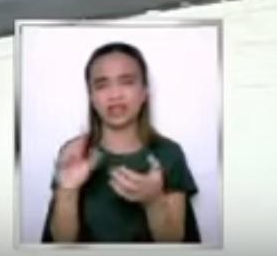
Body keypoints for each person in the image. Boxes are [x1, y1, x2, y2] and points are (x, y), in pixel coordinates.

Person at [42, 41, 201, 244]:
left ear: (144, 93)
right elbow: (61, 243)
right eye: (102, 85)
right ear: (91, 97)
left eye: (127, 82)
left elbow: (174, 241)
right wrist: (67, 190)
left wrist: (153, 202)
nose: (115, 95)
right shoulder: (74, 152)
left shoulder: (168, 153)